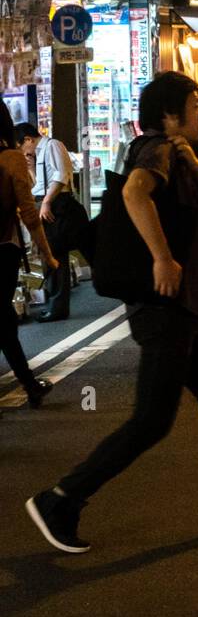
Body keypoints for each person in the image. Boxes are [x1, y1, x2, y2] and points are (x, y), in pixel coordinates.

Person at [25, 72, 198, 555]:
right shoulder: (155, 149)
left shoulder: (174, 153)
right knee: (152, 420)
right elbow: (135, 193)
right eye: (195, 107)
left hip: (185, 309)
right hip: (164, 308)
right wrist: (162, 256)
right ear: (170, 115)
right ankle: (62, 499)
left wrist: (192, 159)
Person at [0, 101, 59, 406]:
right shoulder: (11, 158)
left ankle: (28, 383)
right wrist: (48, 256)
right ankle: (28, 383)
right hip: (3, 250)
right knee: (4, 319)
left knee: (5, 320)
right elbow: (29, 214)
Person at [15, 122, 76, 322]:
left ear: (28, 140)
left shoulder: (53, 145)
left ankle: (58, 306)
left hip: (55, 204)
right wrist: (30, 168)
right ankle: (53, 303)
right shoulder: (38, 153)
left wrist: (47, 202)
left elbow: (61, 176)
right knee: (46, 253)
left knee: (55, 253)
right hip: (44, 202)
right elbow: (39, 184)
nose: (22, 151)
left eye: (21, 146)